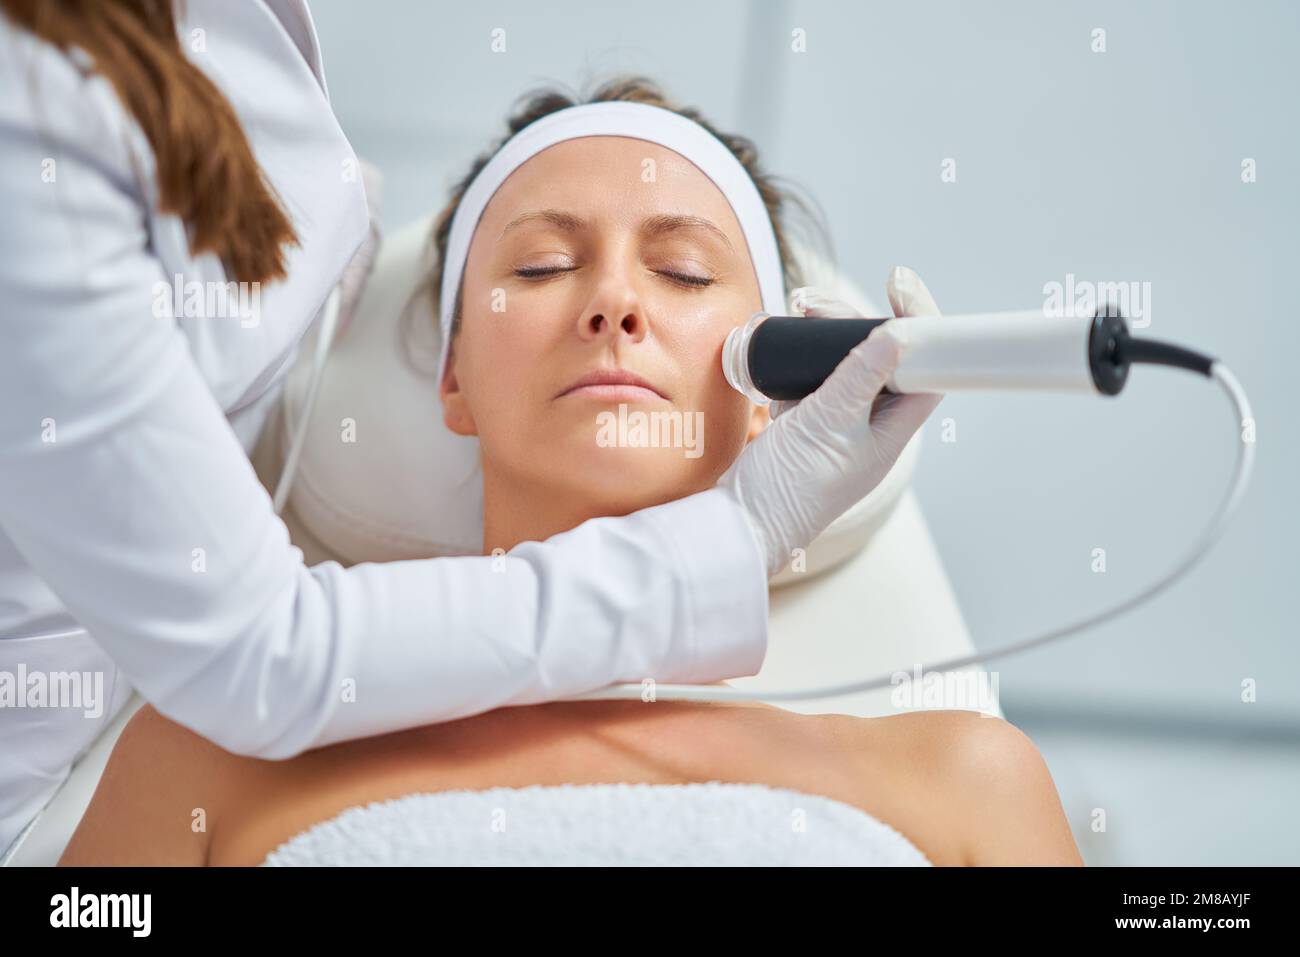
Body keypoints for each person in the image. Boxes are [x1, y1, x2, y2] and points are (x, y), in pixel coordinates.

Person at [59, 80, 1081, 867]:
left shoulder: (965, 782)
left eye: (681, 271)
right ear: (454, 379)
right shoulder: (208, 759)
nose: (613, 305)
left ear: (773, 385)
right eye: (543, 267)